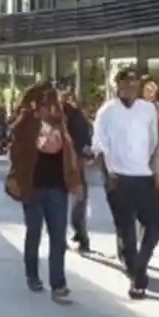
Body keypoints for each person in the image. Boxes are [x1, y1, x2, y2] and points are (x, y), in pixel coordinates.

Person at [93, 65, 159, 300]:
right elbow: (99, 144)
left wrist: (157, 172)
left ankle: (141, 265)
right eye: (125, 83)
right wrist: (108, 174)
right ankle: (136, 274)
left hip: (144, 176)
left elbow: (155, 141)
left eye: (134, 83)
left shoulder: (148, 110)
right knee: (126, 231)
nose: (130, 87)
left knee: (156, 221)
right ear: (117, 86)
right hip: (118, 178)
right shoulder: (107, 111)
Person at [7, 81, 83, 303]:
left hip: (58, 187)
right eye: (43, 103)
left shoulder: (63, 123)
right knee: (34, 233)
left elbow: (72, 155)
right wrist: (28, 112)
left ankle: (58, 283)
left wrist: (76, 182)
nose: (49, 107)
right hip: (33, 187)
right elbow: (14, 140)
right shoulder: (26, 124)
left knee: (58, 237)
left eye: (52, 102)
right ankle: (32, 275)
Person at [56, 82, 95, 253]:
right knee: (60, 201)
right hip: (56, 162)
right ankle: (61, 236)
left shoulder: (74, 114)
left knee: (78, 199)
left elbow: (84, 136)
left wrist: (83, 152)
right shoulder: (49, 113)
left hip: (73, 161)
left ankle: (80, 233)